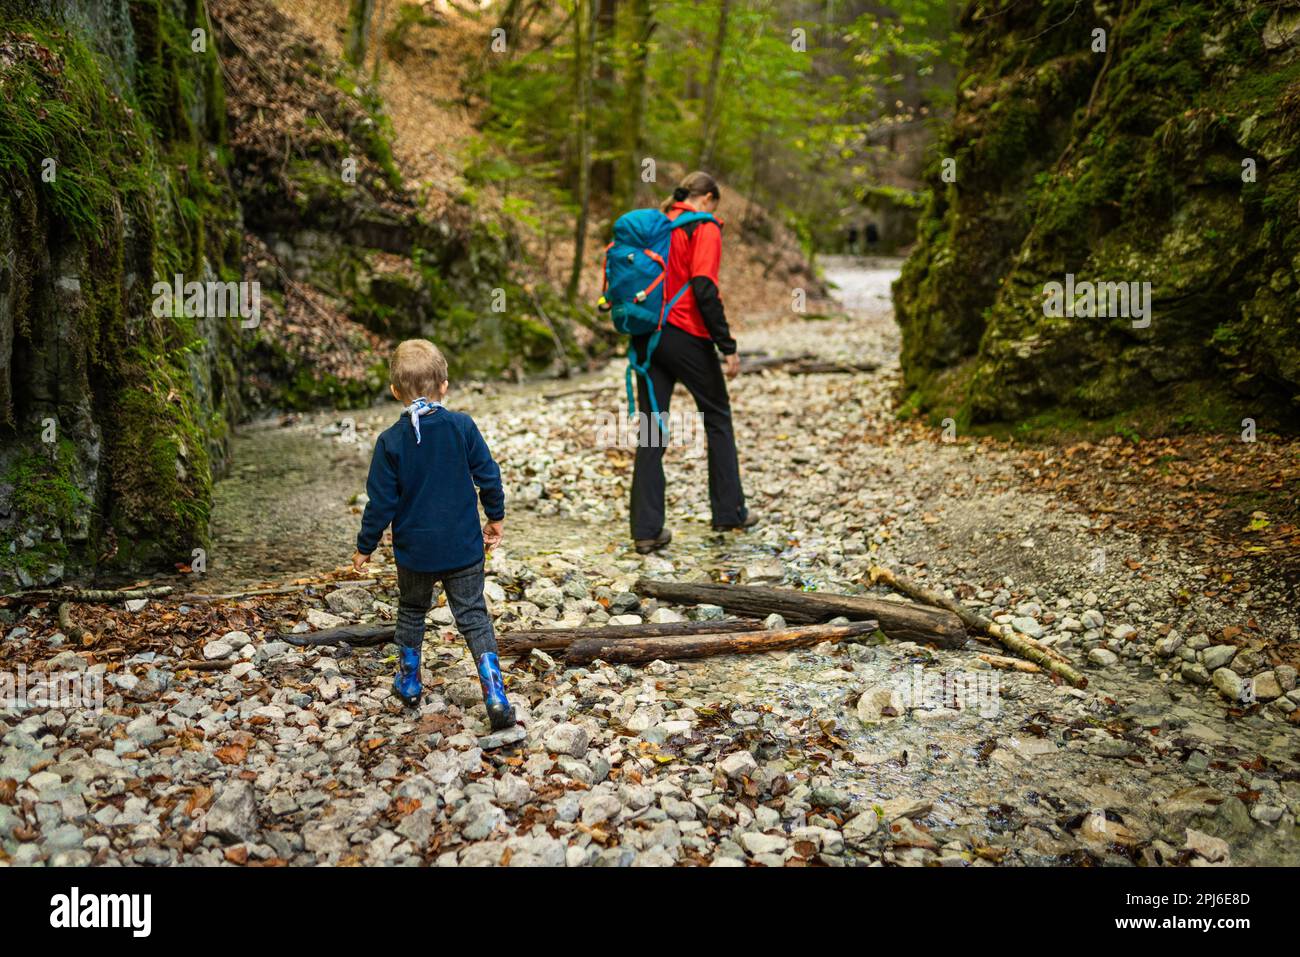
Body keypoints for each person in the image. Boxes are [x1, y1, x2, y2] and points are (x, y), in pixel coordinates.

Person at [351, 340, 515, 730]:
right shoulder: (462, 427)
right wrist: (495, 516)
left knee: (412, 610)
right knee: (473, 616)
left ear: (394, 392)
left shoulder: (390, 441)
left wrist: (365, 547)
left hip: (415, 552)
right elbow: (488, 475)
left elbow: (381, 503)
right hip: (463, 547)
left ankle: (408, 682)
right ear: (444, 386)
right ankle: (494, 693)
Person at [630, 171, 755, 554]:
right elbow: (703, 286)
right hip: (684, 332)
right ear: (709, 198)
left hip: (646, 336)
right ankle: (729, 511)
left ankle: (647, 531)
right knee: (717, 416)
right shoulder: (703, 227)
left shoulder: (657, 225)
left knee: (652, 428)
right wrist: (727, 345)